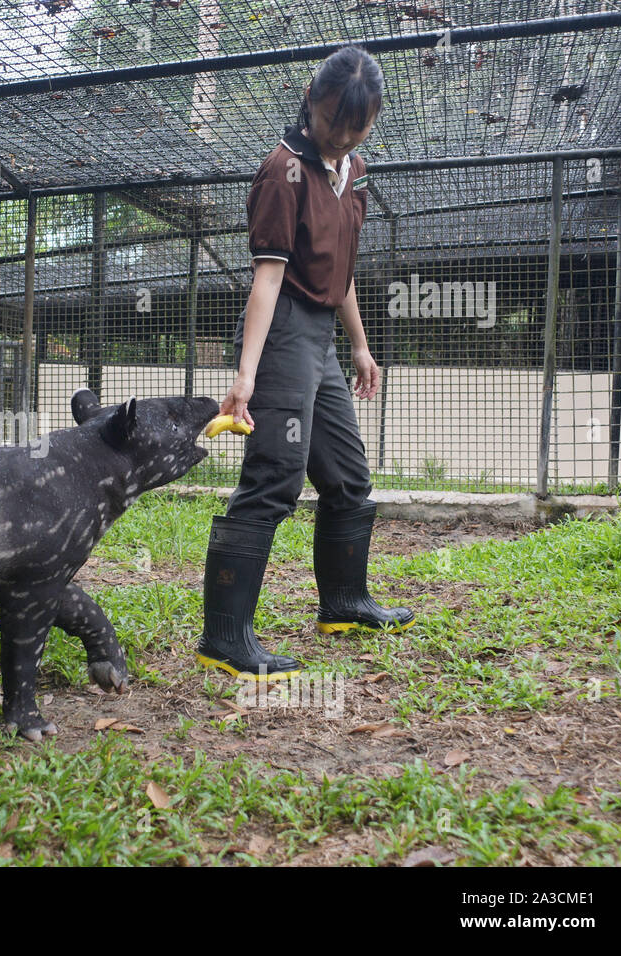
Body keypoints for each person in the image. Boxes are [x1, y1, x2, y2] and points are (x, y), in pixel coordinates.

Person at [196, 45, 415, 682]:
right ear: (310, 102)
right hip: (284, 328)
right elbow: (268, 278)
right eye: (330, 124)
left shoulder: (354, 174)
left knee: (347, 474)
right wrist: (246, 376)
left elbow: (341, 272)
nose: (341, 137)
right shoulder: (283, 170)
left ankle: (344, 603)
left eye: (356, 128)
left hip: (322, 333)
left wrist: (361, 345)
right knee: (276, 476)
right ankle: (225, 636)